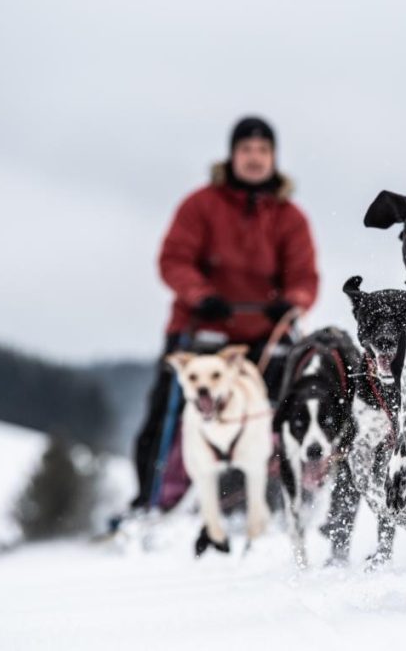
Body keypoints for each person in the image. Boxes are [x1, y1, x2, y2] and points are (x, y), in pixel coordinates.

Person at [129, 115, 319, 510]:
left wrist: (292, 301)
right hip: (202, 331)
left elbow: (305, 277)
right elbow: (173, 260)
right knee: (169, 414)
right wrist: (200, 295)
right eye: (246, 150)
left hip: (265, 337)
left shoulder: (289, 217)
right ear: (232, 156)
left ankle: (280, 499)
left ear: (274, 158)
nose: (254, 158)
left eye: (262, 151)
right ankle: (151, 502)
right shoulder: (201, 205)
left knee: (282, 412)